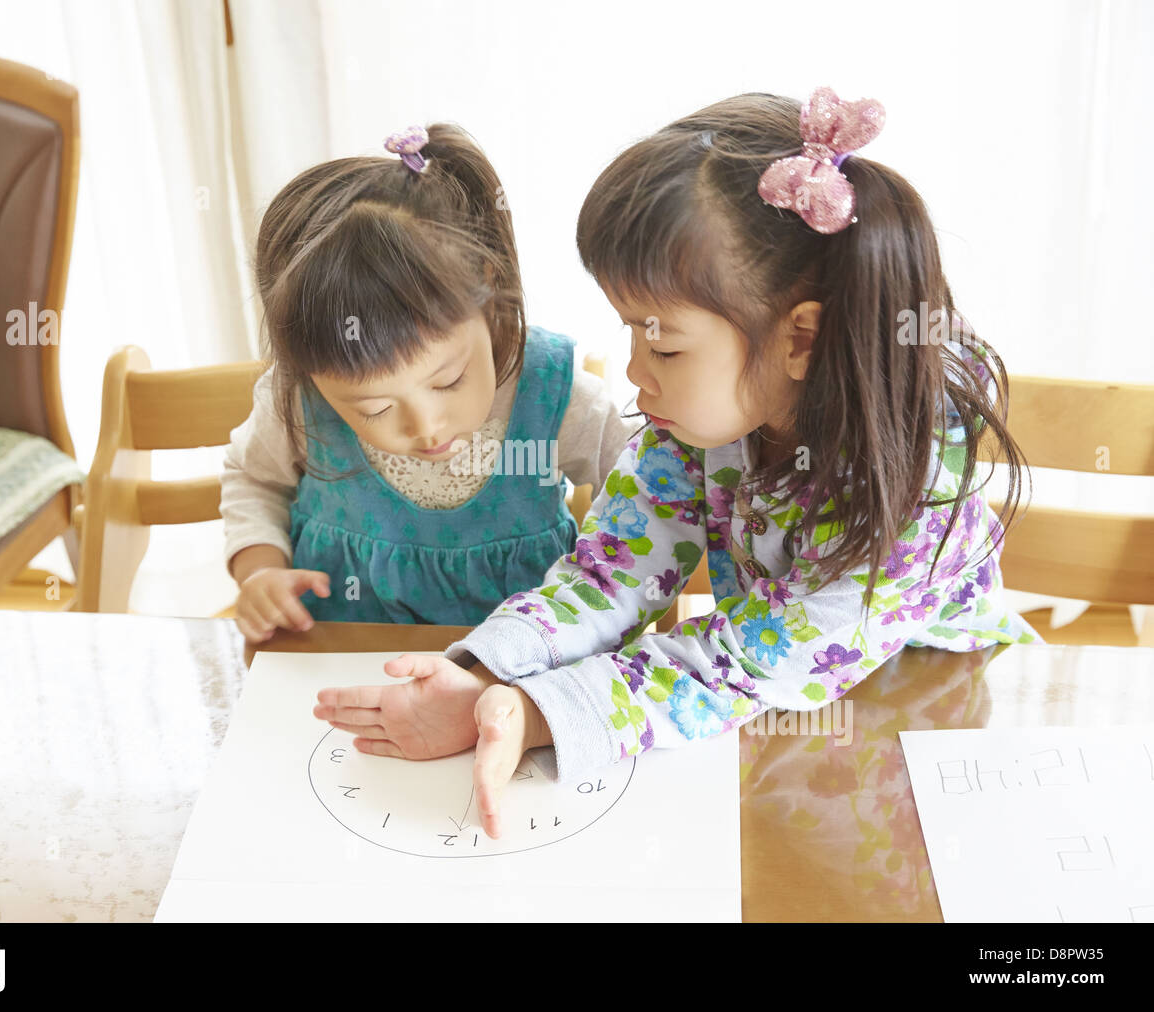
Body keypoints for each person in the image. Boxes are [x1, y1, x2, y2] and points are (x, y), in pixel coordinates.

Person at [314, 87, 1044, 839]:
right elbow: (609, 576)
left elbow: (744, 663)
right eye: (632, 333)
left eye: (663, 345)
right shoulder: (690, 430)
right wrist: (483, 676)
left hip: (929, 732)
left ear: (801, 340)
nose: (636, 371)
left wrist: (536, 716)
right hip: (777, 731)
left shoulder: (913, 498)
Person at [221, 124, 637, 639]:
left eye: (448, 381)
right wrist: (261, 570)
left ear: (487, 286)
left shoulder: (552, 391)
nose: (426, 425)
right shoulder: (300, 400)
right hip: (339, 665)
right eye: (373, 409)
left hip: (516, 680)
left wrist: (604, 594)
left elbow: (650, 497)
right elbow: (255, 480)